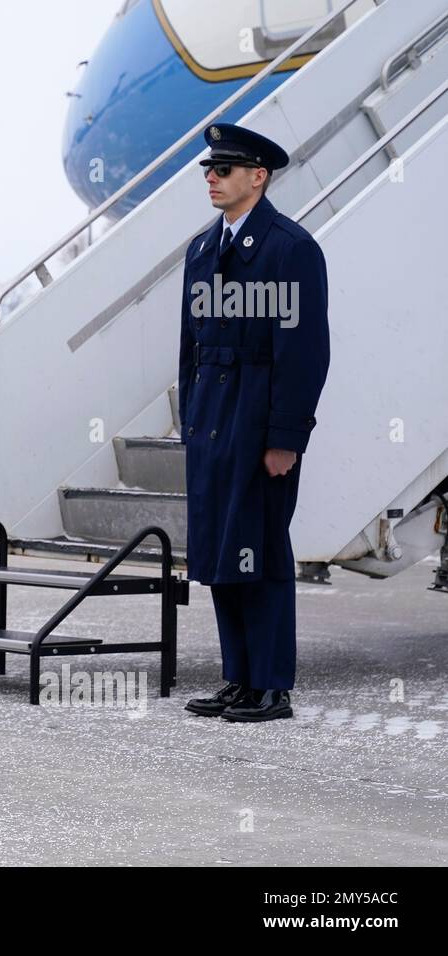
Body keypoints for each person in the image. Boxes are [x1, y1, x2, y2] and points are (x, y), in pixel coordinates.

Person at [179, 123, 329, 723]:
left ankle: (271, 684)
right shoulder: (199, 249)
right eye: (209, 171)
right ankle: (237, 676)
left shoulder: (289, 249)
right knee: (220, 545)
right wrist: (190, 416)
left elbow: (305, 353)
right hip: (212, 417)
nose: (211, 179)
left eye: (224, 170)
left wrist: (285, 438)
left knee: (261, 548)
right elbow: (190, 346)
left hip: (257, 413)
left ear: (258, 177)